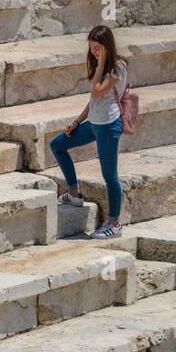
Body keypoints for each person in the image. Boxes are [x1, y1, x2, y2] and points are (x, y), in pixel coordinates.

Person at [49, 25, 128, 239]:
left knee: (110, 176)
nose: (94, 52)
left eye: (98, 48)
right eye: (92, 48)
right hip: (94, 122)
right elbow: (93, 102)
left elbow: (96, 92)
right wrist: (76, 121)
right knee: (57, 144)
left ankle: (115, 224)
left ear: (107, 47)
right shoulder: (100, 66)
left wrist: (102, 62)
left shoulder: (117, 67)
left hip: (109, 126)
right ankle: (74, 193)